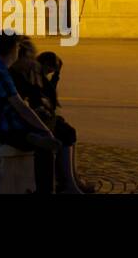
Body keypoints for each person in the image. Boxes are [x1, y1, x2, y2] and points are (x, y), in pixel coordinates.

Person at [0, 32, 74, 194]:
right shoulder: (0, 71)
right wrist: (45, 130)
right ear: (13, 49)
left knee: (42, 134)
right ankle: (46, 188)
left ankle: (32, 138)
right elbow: (20, 106)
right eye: (18, 47)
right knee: (44, 142)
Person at [33, 50, 95, 193]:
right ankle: (68, 182)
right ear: (43, 64)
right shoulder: (35, 78)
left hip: (44, 117)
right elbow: (47, 97)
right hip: (40, 120)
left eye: (52, 71)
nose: (50, 72)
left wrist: (57, 75)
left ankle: (73, 179)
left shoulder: (40, 77)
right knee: (67, 133)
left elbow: (50, 94)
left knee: (69, 132)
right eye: (49, 69)